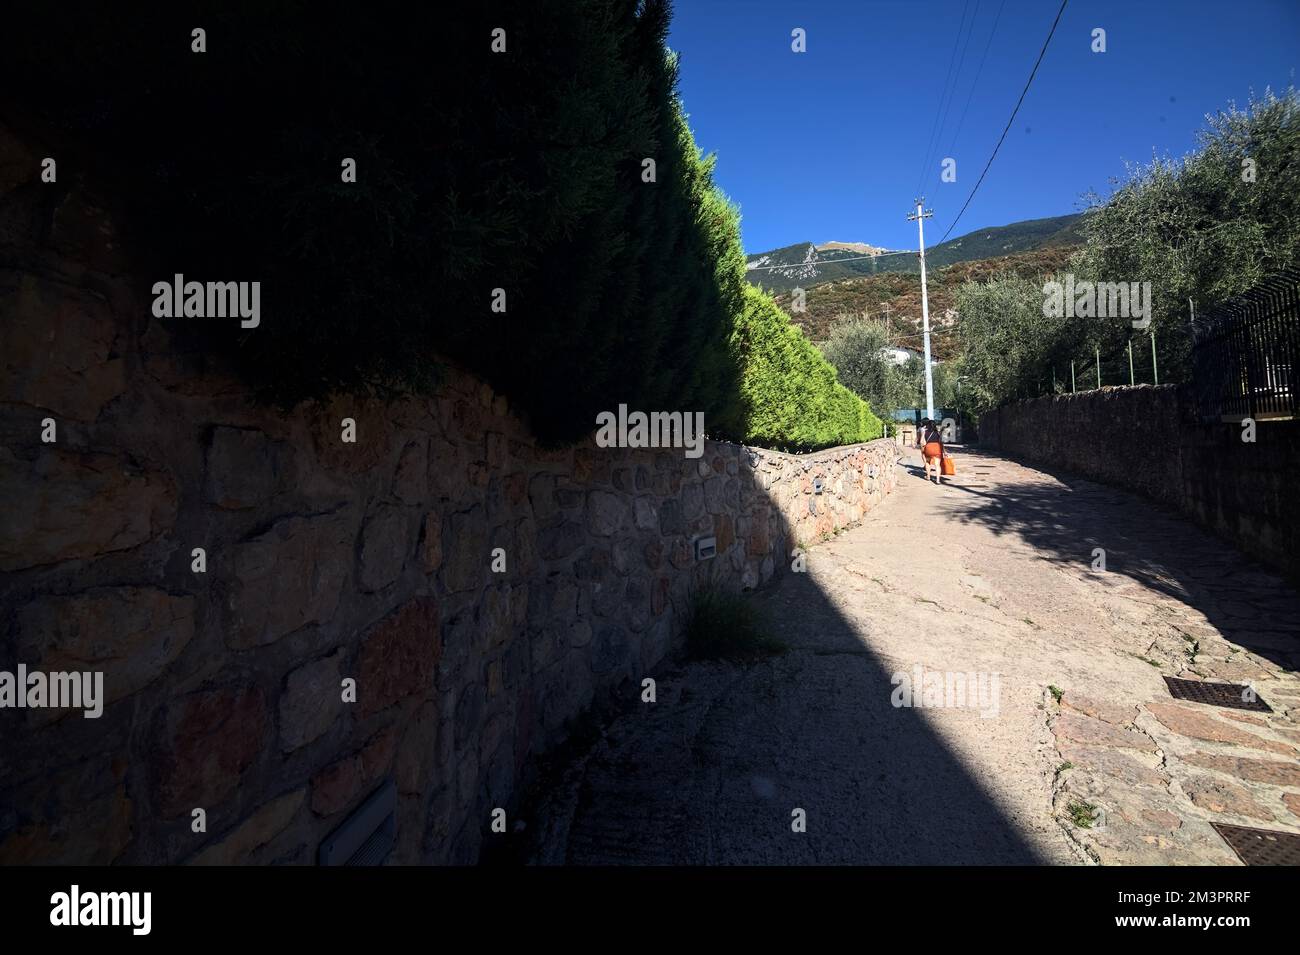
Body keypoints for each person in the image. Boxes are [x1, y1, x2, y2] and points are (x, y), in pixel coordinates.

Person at [919, 417, 944, 484]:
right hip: (937, 448)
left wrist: (923, 448)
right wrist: (944, 451)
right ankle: (938, 480)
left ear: (928, 425)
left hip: (929, 448)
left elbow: (921, 442)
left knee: (927, 462)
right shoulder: (938, 433)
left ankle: (928, 476)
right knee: (937, 465)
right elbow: (941, 442)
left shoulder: (925, 432)